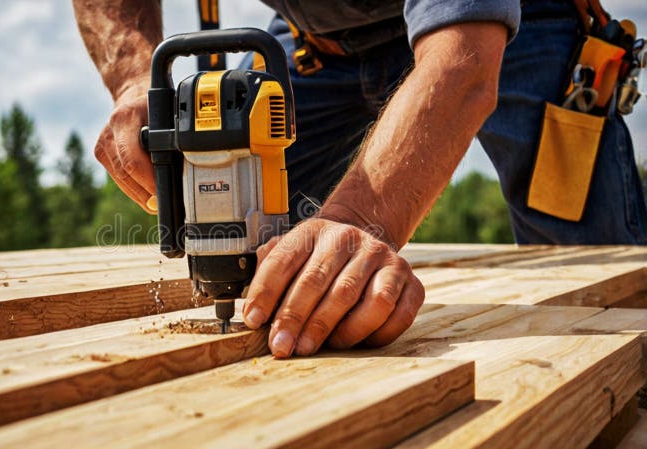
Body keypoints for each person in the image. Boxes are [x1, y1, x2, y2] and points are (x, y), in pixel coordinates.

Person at [73, 0, 647, 358]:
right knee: (260, 249)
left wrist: (352, 223)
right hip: (318, 41)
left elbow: (463, 61)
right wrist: (133, 81)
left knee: (601, 288)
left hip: (506, 25)